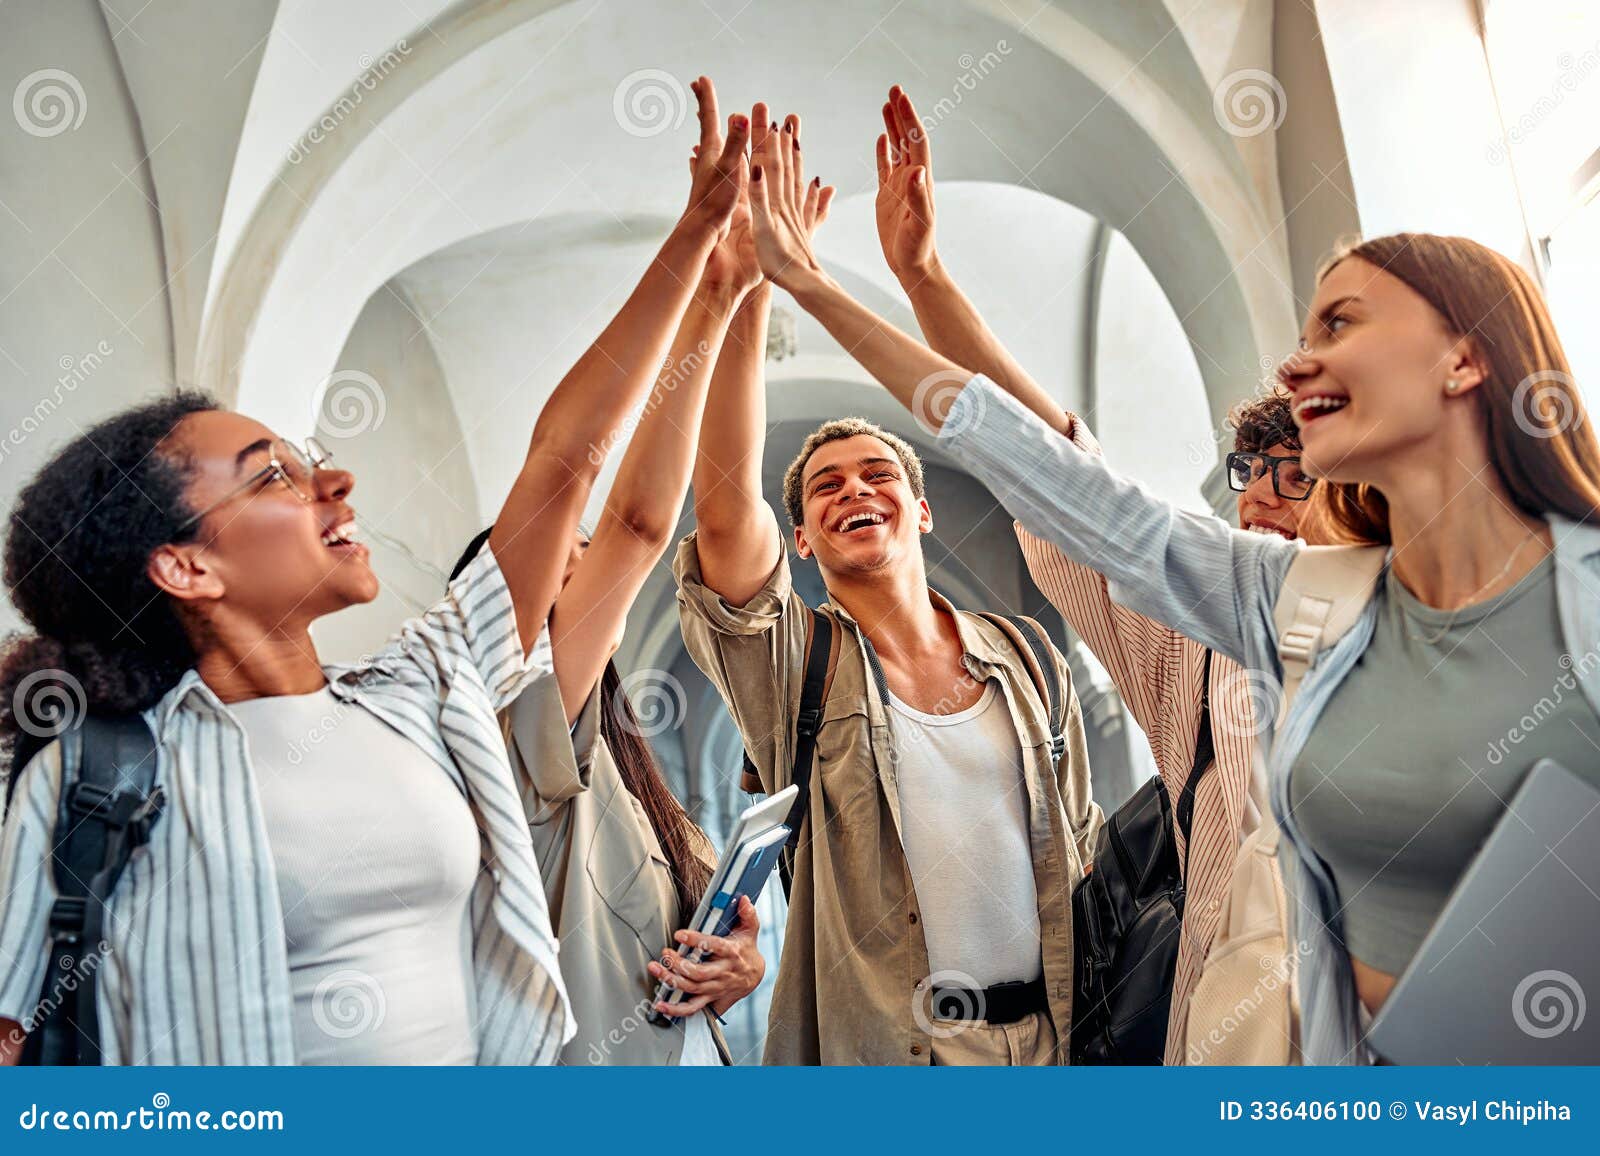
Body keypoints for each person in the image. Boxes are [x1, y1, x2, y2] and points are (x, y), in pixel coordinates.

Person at [747, 102, 1600, 1064]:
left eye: (1343, 322)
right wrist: (852, 287)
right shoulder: (1282, 604)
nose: (1297, 358)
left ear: (1464, 356)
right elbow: (1066, 479)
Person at [0, 78, 751, 1066]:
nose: (333, 480)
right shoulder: (96, 775)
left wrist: (697, 240)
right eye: (275, 475)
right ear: (185, 565)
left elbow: (567, 464)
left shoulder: (419, 693)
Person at [868, 87, 1325, 1064]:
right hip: (1229, 1041)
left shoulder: (1421, 628)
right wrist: (925, 283)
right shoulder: (1198, 648)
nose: (1254, 502)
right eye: (1249, 478)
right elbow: (1065, 478)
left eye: (1291, 480)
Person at [675, 103, 1102, 1066]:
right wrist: (747, 291)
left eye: (879, 476)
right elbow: (724, 505)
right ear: (805, 541)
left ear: (923, 509)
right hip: (889, 1052)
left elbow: (1079, 844)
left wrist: (922, 272)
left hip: (1056, 1045)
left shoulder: (1026, 655)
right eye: (826, 487)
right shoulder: (804, 666)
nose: (854, 490)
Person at [481, 123, 833, 1064]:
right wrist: (721, 289)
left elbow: (713, 925)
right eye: (569, 565)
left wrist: (743, 961)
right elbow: (641, 523)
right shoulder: (514, 711)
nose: (592, 565)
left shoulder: (622, 770)